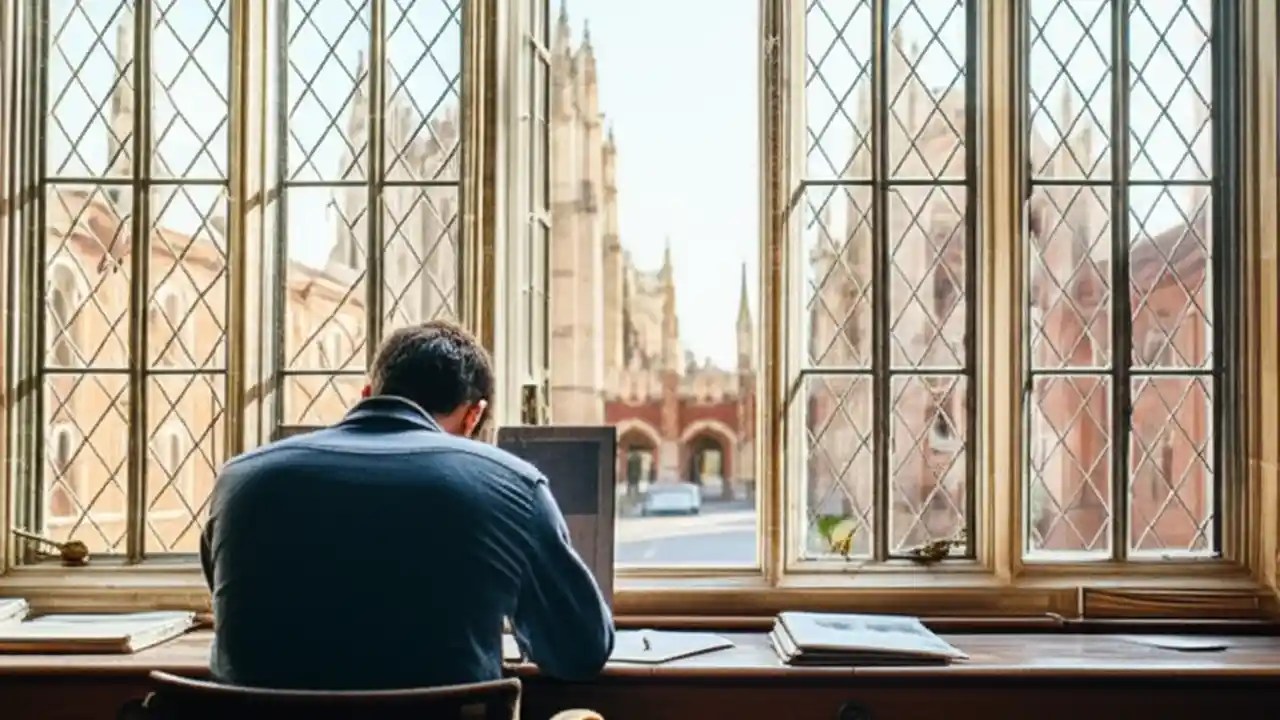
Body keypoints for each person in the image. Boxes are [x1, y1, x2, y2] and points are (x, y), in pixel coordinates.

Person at [201, 320, 615, 690]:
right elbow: (579, 653)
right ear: (474, 417)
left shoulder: (240, 480)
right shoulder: (515, 486)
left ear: (366, 394)